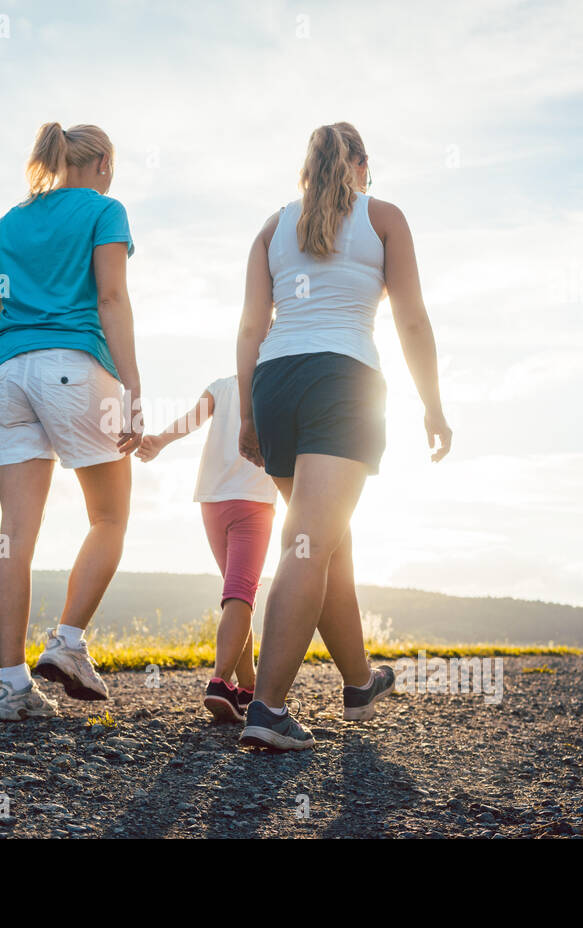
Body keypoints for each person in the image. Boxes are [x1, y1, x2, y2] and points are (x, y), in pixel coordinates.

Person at [235, 123, 453, 750]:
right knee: (309, 541)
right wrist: (433, 407)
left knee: (327, 542)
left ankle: (358, 682)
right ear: (360, 165)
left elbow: (252, 326)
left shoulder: (270, 228)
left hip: (276, 382)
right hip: (343, 380)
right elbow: (411, 319)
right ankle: (267, 709)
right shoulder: (383, 217)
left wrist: (248, 414)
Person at [0, 123, 143, 722]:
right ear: (99, 162)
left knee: (13, 532)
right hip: (73, 366)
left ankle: (12, 685)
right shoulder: (104, 209)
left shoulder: (8, 222)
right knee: (110, 516)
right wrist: (132, 383)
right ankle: (68, 642)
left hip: (9, 376)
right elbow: (111, 300)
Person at [137, 375, 276, 722]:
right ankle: (219, 683)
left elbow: (191, 418)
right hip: (254, 500)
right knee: (241, 593)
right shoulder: (280, 380)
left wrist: (161, 441)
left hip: (213, 500)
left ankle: (246, 687)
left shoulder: (224, 385)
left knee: (237, 594)